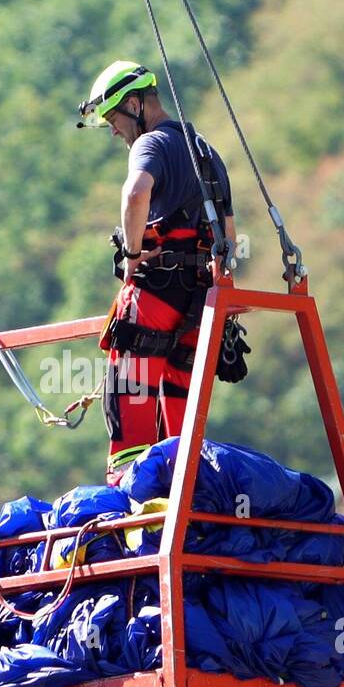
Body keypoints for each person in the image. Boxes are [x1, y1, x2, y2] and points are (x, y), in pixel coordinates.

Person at [78, 60, 240, 485]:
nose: (114, 131)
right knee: (179, 426)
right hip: (199, 309)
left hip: (155, 300)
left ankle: (132, 504)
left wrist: (132, 255)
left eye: (114, 119)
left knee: (128, 394)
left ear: (135, 104)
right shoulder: (206, 151)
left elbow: (134, 194)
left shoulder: (151, 144)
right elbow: (230, 234)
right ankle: (183, 500)